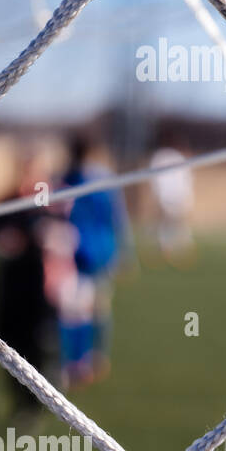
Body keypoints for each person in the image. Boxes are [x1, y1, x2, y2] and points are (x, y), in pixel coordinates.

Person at [0, 146, 74, 423]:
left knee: (37, 345)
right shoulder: (7, 203)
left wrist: (54, 238)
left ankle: (34, 402)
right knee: (3, 345)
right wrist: (6, 244)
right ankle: (21, 399)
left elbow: (70, 238)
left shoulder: (54, 204)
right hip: (10, 289)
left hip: (41, 290)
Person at [58, 134, 129, 387]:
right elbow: (118, 220)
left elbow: (116, 218)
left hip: (89, 253)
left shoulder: (94, 181)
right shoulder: (67, 179)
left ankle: (86, 359)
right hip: (84, 253)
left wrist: (122, 253)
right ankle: (83, 359)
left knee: (86, 307)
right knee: (81, 308)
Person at [149, 142, 195, 266]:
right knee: (169, 223)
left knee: (174, 223)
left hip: (171, 196)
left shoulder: (163, 156)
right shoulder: (165, 156)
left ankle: (175, 249)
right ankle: (169, 249)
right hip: (172, 196)